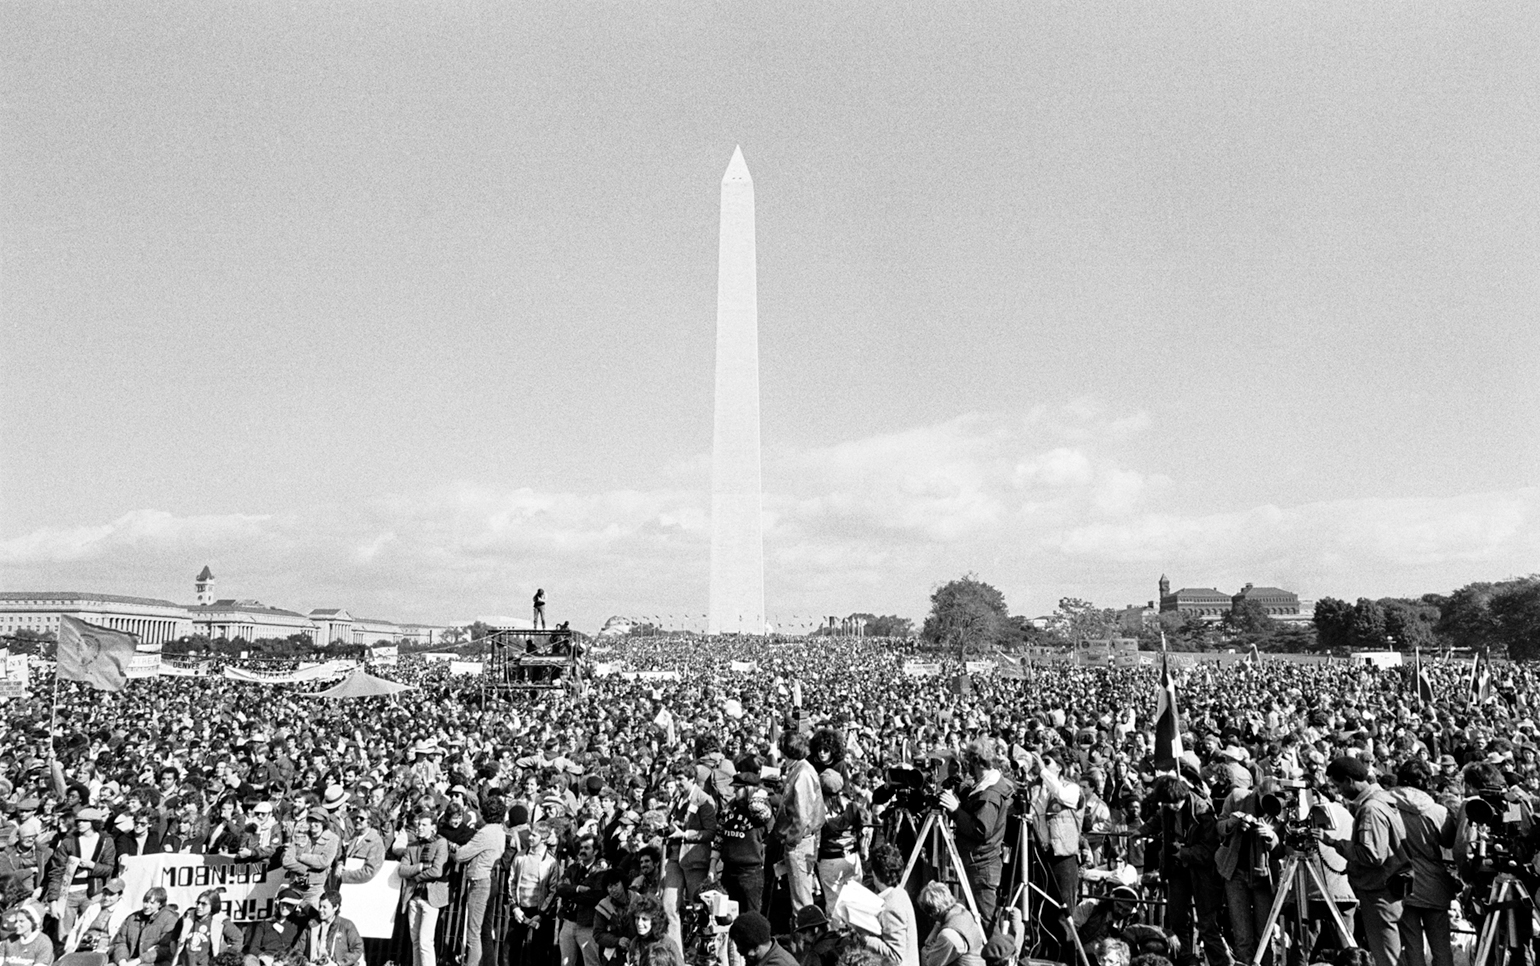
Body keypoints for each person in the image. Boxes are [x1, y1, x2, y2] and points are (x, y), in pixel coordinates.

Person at [1318, 756, 1405, 966]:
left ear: (1349, 780)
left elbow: (1371, 855)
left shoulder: (1370, 808)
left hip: (1378, 889)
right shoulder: (1382, 799)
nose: (1338, 792)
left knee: (1386, 955)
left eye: (1338, 786)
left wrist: (1333, 842)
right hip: (1387, 886)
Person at [1388, 758, 1458, 966]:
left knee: (1412, 947)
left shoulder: (1388, 806)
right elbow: (1449, 841)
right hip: (1434, 881)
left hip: (1401, 881)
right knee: (1442, 947)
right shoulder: (1437, 811)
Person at [939, 739, 1013, 930]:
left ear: (976, 762)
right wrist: (962, 791)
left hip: (981, 864)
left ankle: (997, 957)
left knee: (987, 920)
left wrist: (956, 810)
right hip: (978, 861)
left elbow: (981, 829)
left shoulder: (990, 793)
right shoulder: (986, 785)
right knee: (979, 916)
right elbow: (976, 806)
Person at [661, 764, 715, 952]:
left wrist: (684, 834)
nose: (677, 783)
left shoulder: (703, 800)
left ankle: (697, 951)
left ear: (692, 779)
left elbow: (710, 832)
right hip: (675, 858)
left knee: (698, 909)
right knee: (669, 907)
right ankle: (676, 955)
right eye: (675, 779)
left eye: (681, 779)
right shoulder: (678, 798)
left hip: (694, 860)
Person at [773, 733, 827, 917]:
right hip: (800, 840)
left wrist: (791, 841)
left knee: (801, 902)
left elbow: (802, 815)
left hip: (799, 842)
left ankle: (806, 941)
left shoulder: (803, 773)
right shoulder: (799, 768)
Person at [45, 807, 117, 941]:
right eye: (78, 821)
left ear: (94, 823)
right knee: (63, 934)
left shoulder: (106, 841)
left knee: (87, 932)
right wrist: (53, 900)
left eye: (85, 821)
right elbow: (56, 871)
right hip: (68, 892)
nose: (80, 823)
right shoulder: (68, 842)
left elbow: (109, 868)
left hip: (93, 893)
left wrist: (92, 866)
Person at [453, 806, 508, 966]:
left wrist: (454, 848)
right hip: (491, 880)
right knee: (485, 930)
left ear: (485, 815)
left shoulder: (485, 832)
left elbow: (461, 855)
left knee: (473, 933)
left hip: (480, 881)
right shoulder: (500, 831)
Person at [716, 769, 773, 916]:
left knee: (751, 916)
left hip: (750, 872)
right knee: (726, 916)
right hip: (729, 871)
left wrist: (757, 794)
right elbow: (719, 838)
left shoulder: (761, 810)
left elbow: (758, 809)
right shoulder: (730, 808)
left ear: (748, 789)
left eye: (737, 788)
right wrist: (712, 866)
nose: (734, 792)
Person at [816, 770, 864, 916]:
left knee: (834, 904)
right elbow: (859, 830)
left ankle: (837, 934)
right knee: (855, 903)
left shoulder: (818, 809)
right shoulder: (851, 805)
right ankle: (855, 935)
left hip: (829, 860)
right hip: (851, 856)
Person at [555, 833, 607, 966]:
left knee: (591, 963)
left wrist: (571, 893)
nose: (582, 850)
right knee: (566, 963)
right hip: (568, 922)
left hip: (588, 924)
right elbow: (560, 888)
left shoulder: (600, 871)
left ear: (595, 851)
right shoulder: (573, 868)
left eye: (587, 848)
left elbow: (596, 896)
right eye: (581, 847)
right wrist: (578, 888)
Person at [869, 844, 920, 966]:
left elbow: (896, 956)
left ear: (875, 873)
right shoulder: (900, 892)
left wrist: (865, 938)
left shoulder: (891, 907)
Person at [915, 882, 986, 966]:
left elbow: (931, 963)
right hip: (979, 960)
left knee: (924, 952)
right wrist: (936, 928)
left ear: (934, 912)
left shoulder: (949, 935)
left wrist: (926, 951)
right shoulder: (962, 910)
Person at [109, 887, 179, 966]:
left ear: (160, 904)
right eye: (145, 902)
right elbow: (121, 942)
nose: (147, 906)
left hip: (154, 962)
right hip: (129, 960)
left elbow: (165, 948)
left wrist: (138, 961)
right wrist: (122, 960)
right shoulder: (132, 918)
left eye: (152, 903)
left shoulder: (169, 919)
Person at [173, 889, 243, 966]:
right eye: (198, 903)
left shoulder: (219, 921)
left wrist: (225, 958)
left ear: (213, 906)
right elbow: (174, 937)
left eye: (204, 904)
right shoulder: (188, 916)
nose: (199, 906)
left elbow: (238, 938)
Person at [62, 876, 126, 960]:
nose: (107, 898)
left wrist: (106, 950)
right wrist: (69, 947)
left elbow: (120, 942)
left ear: (120, 895)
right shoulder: (93, 907)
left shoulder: (124, 913)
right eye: (105, 893)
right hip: (81, 949)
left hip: (101, 955)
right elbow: (76, 929)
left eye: (111, 895)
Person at [243, 887, 307, 966]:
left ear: (295, 907)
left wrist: (300, 902)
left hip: (286, 960)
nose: (284, 907)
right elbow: (253, 948)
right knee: (248, 959)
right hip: (266, 959)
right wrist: (264, 957)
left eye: (289, 905)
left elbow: (315, 916)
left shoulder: (298, 923)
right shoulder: (265, 923)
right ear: (278, 903)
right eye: (283, 903)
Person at [305, 891, 362, 966]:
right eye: (320, 906)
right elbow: (298, 950)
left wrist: (339, 964)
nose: (320, 910)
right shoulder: (312, 925)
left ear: (335, 907)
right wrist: (306, 963)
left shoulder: (346, 925)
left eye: (324, 907)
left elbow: (357, 949)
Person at [728, 911, 798, 966]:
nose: (740, 953)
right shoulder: (761, 957)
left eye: (742, 950)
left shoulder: (781, 963)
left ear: (755, 948)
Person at [3, 902, 54, 966]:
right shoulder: (9, 940)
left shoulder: (43, 942)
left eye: (21, 921)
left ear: (33, 922)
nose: (16, 925)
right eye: (16, 921)